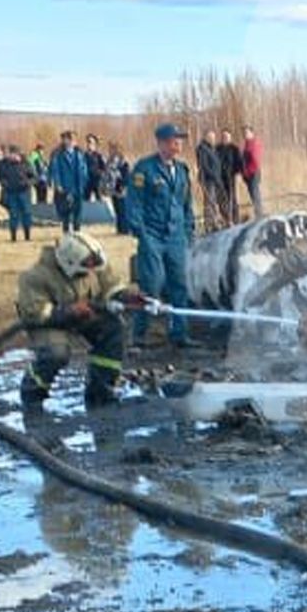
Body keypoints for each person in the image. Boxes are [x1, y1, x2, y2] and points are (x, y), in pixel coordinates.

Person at [15, 232, 146, 409]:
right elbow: (35, 313)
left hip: (85, 314)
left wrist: (126, 296)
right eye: (87, 266)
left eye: (94, 264)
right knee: (56, 354)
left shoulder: (95, 264)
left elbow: (111, 286)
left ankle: (100, 389)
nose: (92, 270)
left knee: (114, 330)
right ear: (69, 262)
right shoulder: (35, 277)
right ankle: (33, 392)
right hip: (48, 322)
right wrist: (69, 311)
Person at [124, 124, 196, 348]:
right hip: (152, 236)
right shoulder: (144, 169)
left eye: (180, 141)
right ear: (162, 143)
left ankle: (179, 334)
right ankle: (139, 335)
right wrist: (141, 233)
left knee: (179, 285)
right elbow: (133, 204)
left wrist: (188, 230)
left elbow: (186, 204)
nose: (179, 144)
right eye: (174, 140)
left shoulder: (182, 170)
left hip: (176, 236)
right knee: (152, 285)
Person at [47, 131, 89, 234]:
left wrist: (84, 183)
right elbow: (55, 171)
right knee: (65, 214)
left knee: (77, 214)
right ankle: (66, 234)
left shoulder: (79, 154)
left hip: (77, 188)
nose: (70, 142)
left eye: (72, 140)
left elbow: (84, 170)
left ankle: (77, 235)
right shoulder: (58, 155)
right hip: (64, 188)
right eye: (68, 139)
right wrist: (58, 184)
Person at [0, 145, 36, 242]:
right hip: (11, 193)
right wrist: (5, 184)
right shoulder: (3, 164)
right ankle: (13, 237)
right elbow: (0, 176)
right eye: (10, 154)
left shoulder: (26, 163)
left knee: (27, 214)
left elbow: (34, 177)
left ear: (18, 154)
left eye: (14, 154)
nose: (12, 156)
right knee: (13, 215)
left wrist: (28, 183)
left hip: (24, 193)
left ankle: (27, 236)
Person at [195, 129, 224, 232]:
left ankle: (215, 222)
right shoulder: (202, 148)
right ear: (206, 137)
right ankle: (209, 225)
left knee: (214, 201)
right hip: (207, 179)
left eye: (214, 137)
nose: (213, 139)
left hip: (215, 179)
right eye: (210, 137)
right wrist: (214, 177)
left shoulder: (212, 148)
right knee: (209, 201)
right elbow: (204, 166)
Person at [215, 131, 242, 226]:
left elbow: (239, 163)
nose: (225, 138)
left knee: (232, 198)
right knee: (222, 199)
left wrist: (238, 174)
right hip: (220, 178)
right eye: (223, 137)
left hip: (231, 176)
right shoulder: (217, 149)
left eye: (227, 137)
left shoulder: (234, 149)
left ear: (230, 138)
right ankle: (226, 219)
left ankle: (236, 219)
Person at [240, 127, 265, 219]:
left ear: (252, 133)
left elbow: (256, 161)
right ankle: (258, 213)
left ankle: (260, 214)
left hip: (253, 173)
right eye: (244, 133)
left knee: (255, 194)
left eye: (247, 132)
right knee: (252, 194)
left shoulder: (255, 144)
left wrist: (247, 171)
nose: (245, 134)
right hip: (248, 174)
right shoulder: (246, 144)